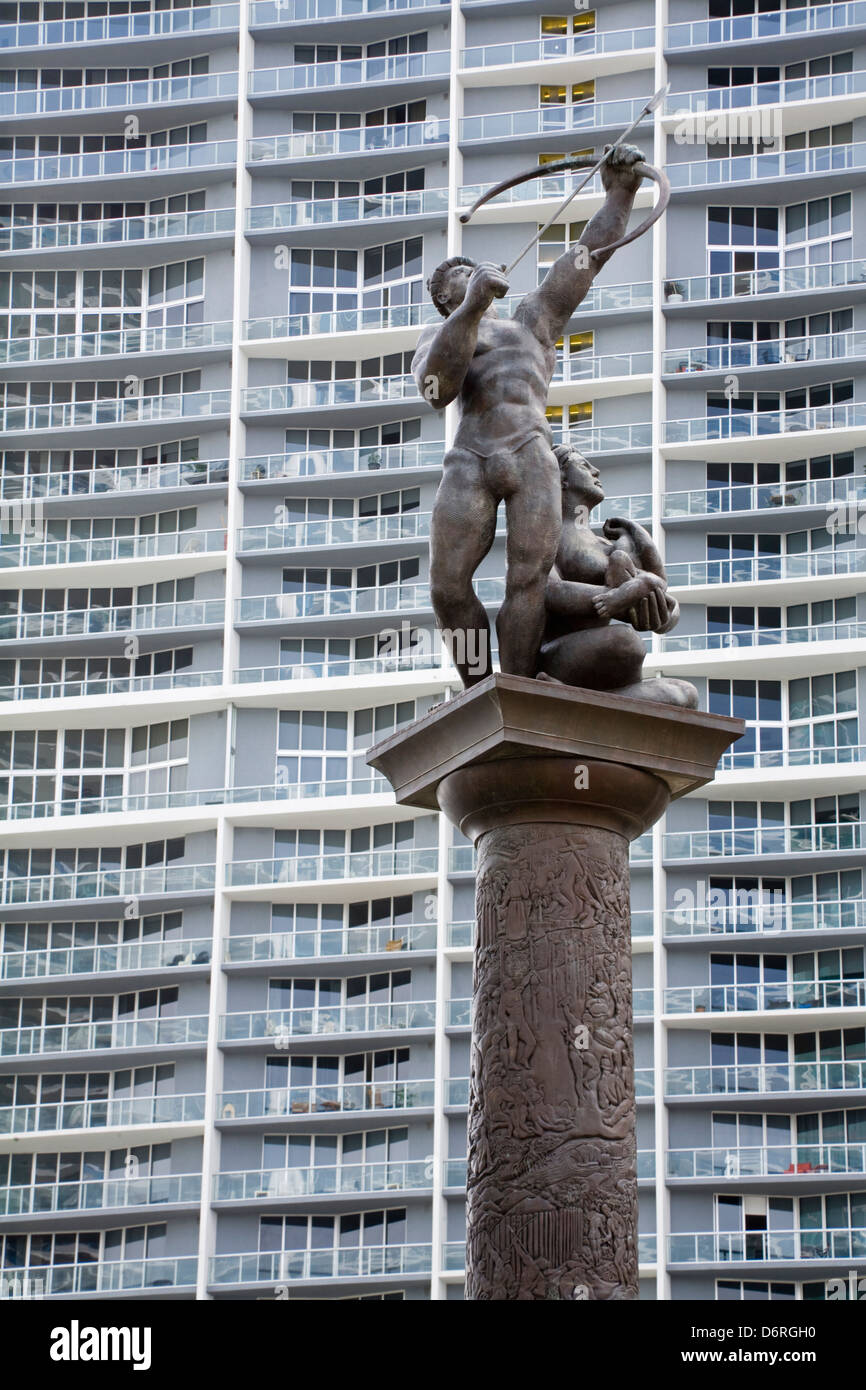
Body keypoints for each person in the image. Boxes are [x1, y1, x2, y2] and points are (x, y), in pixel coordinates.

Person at [411, 145, 647, 685]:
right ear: (447, 302)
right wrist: (469, 310)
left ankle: (517, 691)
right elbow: (436, 389)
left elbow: (585, 258)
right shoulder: (442, 335)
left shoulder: (531, 322)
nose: (468, 285)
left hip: (530, 450)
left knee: (529, 580)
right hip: (470, 456)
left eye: (473, 278)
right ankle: (478, 689)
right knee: (447, 586)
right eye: (457, 288)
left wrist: (620, 190)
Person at [537, 443, 699, 707]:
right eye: (583, 465)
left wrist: (640, 538)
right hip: (562, 654)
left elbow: (658, 596)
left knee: (686, 694)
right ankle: (568, 696)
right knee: (626, 641)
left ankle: (581, 704)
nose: (596, 471)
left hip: (612, 667)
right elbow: (548, 590)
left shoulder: (608, 547)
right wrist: (619, 597)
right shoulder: (545, 534)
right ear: (561, 479)